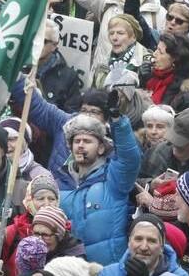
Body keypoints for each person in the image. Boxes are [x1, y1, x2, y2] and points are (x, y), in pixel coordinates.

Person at [59, 92, 141, 265]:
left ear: (102, 148)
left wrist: (118, 121)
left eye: (87, 141)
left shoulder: (113, 179)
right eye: (76, 141)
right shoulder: (60, 182)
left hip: (110, 269)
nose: (80, 145)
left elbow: (130, 158)